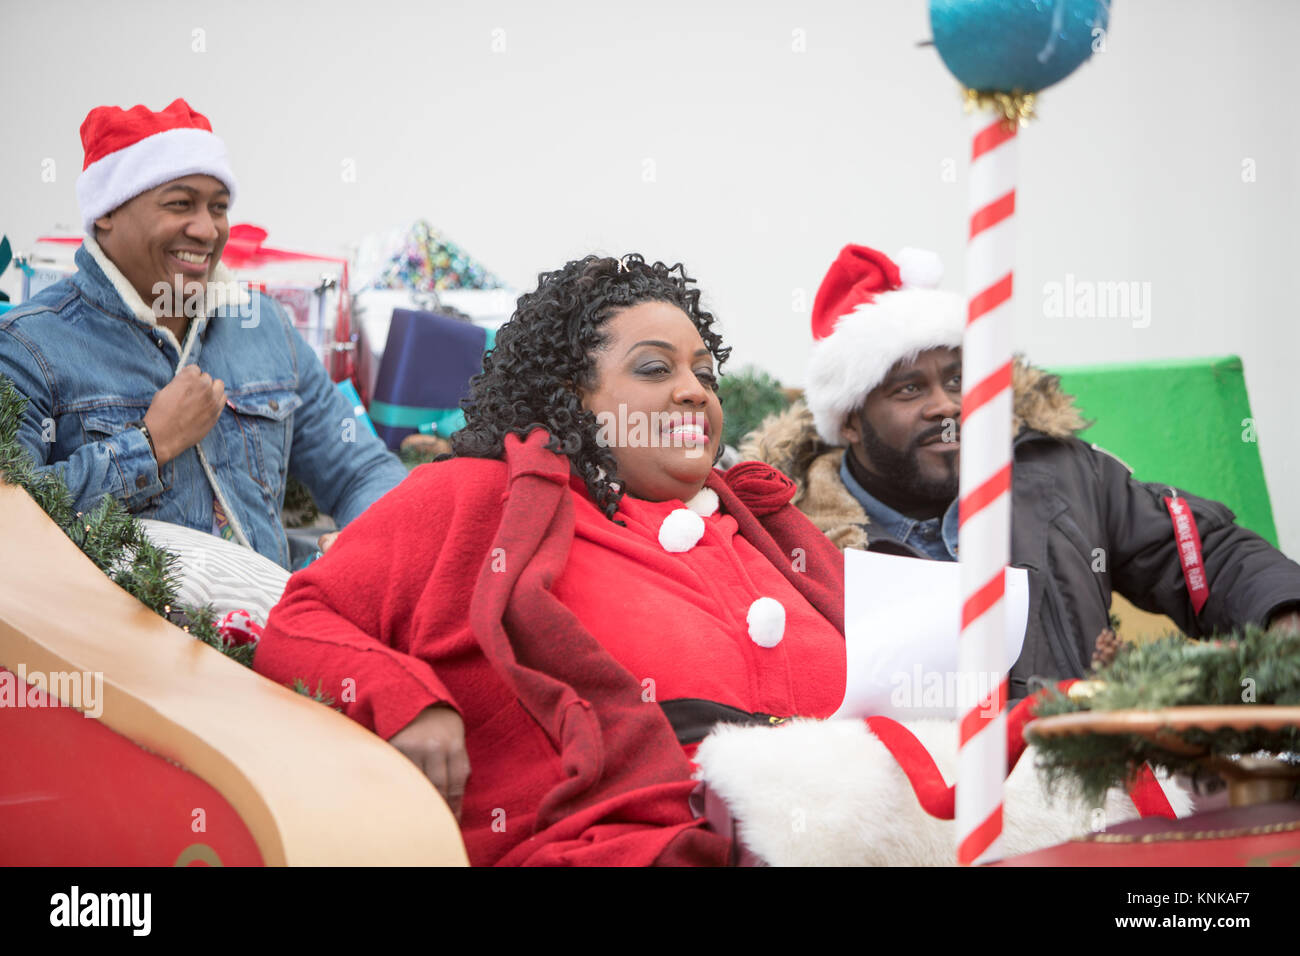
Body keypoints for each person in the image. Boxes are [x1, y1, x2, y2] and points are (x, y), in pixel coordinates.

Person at [252, 254, 849, 866]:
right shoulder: (481, 497)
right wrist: (405, 699)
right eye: (654, 369)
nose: (695, 390)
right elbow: (301, 621)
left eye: (705, 373)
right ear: (572, 397)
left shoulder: (770, 530)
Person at [742, 243, 1300, 701]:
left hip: (1084, 804)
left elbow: (1207, 554)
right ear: (852, 421)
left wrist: (1284, 613)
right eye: (910, 388)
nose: (947, 406)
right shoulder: (789, 536)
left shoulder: (1062, 474)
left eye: (958, 381)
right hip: (909, 823)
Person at [0, 99, 406, 568]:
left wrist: (366, 545)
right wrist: (148, 446)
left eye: (218, 207)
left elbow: (362, 470)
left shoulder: (264, 326)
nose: (207, 229)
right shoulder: (25, 347)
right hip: (120, 639)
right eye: (180, 204)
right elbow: (13, 526)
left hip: (273, 626)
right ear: (107, 212)